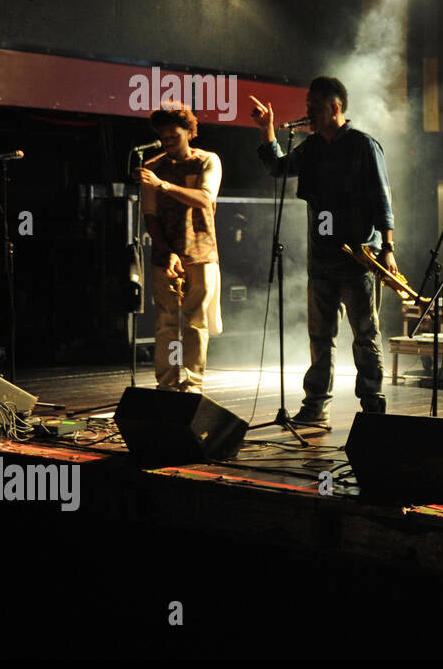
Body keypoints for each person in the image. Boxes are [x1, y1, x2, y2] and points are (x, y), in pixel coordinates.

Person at [251, 77, 396, 427]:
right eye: (307, 105)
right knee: (320, 337)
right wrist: (268, 131)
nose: (308, 113)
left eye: (314, 106)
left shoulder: (363, 146)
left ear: (334, 108)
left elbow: (382, 200)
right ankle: (316, 405)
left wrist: (388, 248)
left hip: (358, 257)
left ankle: (372, 406)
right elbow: (278, 168)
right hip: (322, 259)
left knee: (365, 336)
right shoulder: (312, 148)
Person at [135, 103, 223, 392]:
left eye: (174, 133)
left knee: (196, 323)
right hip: (166, 256)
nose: (168, 138)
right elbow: (150, 215)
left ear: (189, 132)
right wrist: (167, 251)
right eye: (163, 134)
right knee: (167, 325)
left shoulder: (207, 161)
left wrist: (165, 187)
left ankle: (194, 384)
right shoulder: (152, 167)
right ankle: (168, 383)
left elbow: (205, 199)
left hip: (200, 253)